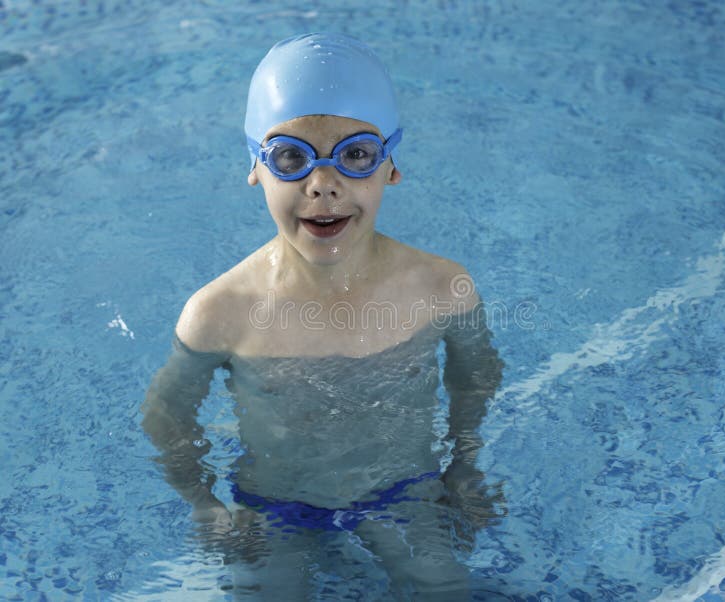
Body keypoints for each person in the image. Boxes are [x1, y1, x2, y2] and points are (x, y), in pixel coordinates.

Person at [141, 32, 503, 600]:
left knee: (447, 589)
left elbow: (475, 375)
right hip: (275, 503)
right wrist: (203, 503)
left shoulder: (441, 287)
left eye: (356, 153)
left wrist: (465, 463)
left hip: (404, 490)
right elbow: (166, 413)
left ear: (391, 166)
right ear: (255, 167)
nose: (323, 184)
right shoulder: (220, 312)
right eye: (291, 157)